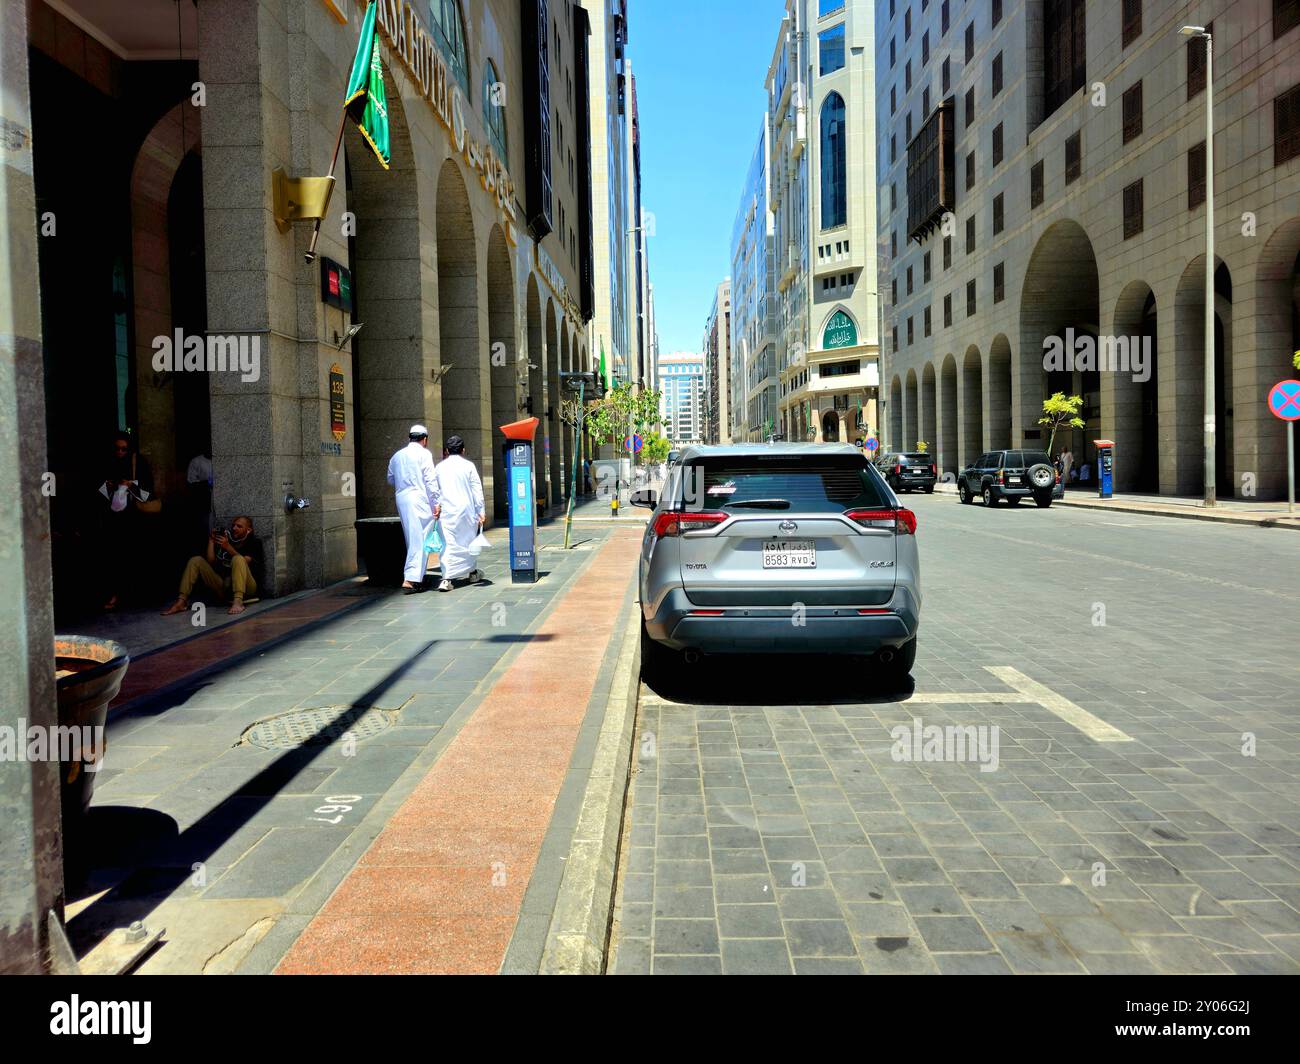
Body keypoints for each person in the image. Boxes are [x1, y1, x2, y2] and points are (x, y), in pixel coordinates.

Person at [161, 515, 264, 616]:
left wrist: (228, 548)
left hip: (248, 588)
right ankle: (181, 601)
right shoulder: (228, 540)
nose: (234, 528)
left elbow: (244, 561)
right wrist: (211, 541)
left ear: (248, 530)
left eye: (239, 526)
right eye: (233, 525)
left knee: (238, 558)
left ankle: (238, 602)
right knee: (196, 560)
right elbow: (210, 561)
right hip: (226, 587)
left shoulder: (254, 542)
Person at [98, 432, 156, 610]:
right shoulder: (108, 463)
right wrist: (109, 486)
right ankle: (116, 596)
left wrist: (131, 486)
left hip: (136, 521)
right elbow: (99, 495)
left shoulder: (138, 463)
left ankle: (137, 597)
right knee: (115, 559)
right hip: (115, 522)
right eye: (117, 449)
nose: (120, 452)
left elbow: (149, 493)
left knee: (136, 557)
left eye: (124, 449)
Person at [386, 425, 440, 593]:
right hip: (419, 498)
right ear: (424, 439)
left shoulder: (397, 456)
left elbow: (390, 479)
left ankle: (417, 577)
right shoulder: (424, 454)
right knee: (419, 538)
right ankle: (410, 578)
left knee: (413, 537)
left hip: (402, 498)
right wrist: (436, 502)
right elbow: (430, 480)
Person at [434, 434, 485, 592]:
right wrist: (481, 511)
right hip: (467, 511)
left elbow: (435, 491)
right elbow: (477, 489)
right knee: (467, 542)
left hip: (447, 511)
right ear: (463, 450)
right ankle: (472, 572)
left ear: (447, 451)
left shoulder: (439, 467)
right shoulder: (469, 466)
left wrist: (436, 507)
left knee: (448, 544)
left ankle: (447, 579)